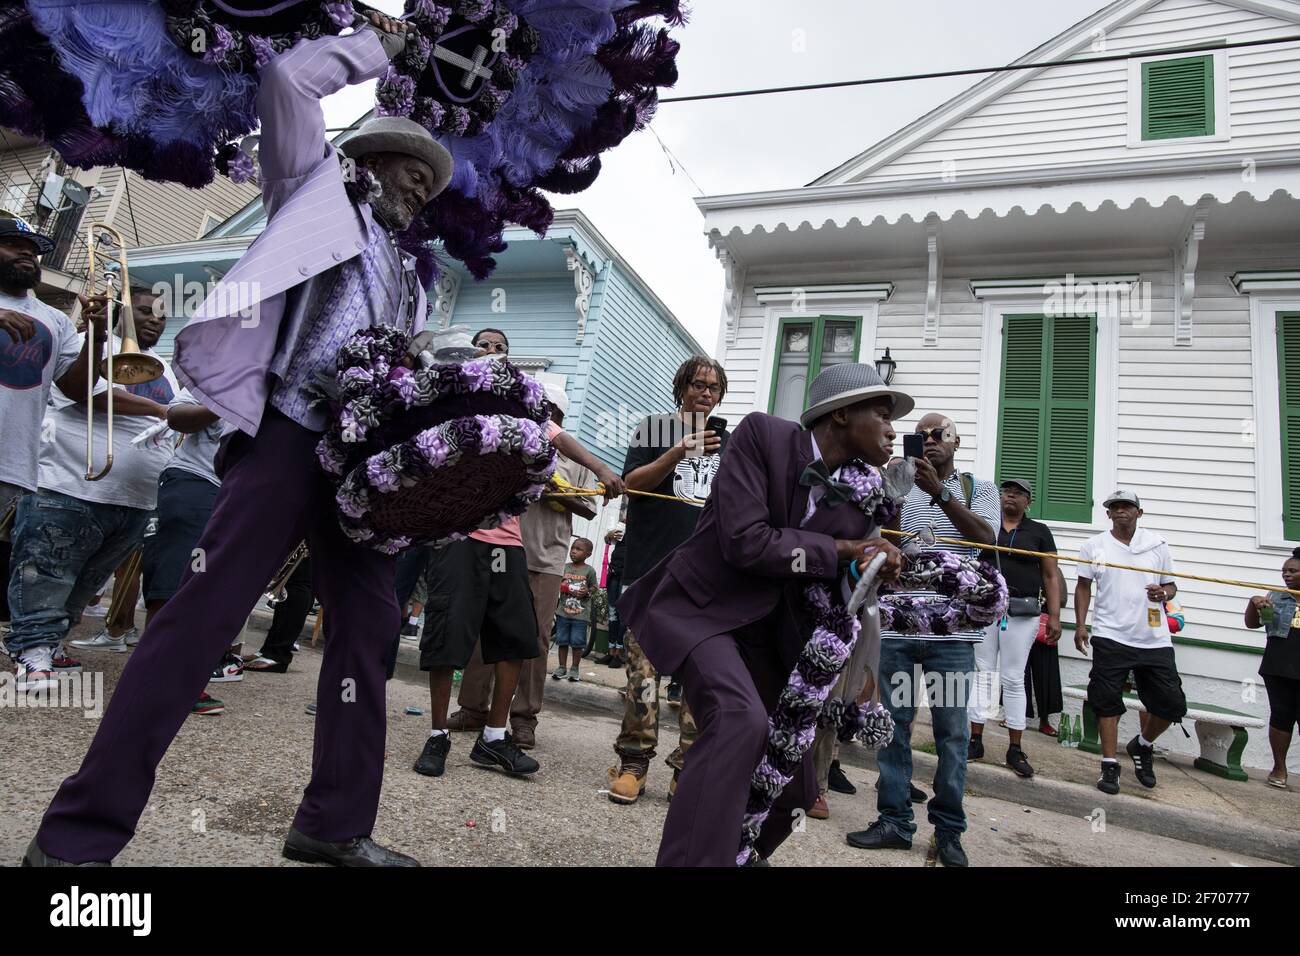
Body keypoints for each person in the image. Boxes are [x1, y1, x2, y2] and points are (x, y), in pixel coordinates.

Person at [25, 11, 453, 868]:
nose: (418, 193)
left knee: (368, 631)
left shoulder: (410, 277)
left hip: (356, 469)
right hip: (288, 438)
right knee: (199, 620)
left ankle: (332, 825)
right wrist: (388, 48)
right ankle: (76, 839)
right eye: (409, 173)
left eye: (428, 189)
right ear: (367, 161)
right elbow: (291, 82)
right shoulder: (314, 189)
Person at [620, 363, 907, 865]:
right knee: (739, 720)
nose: (892, 429)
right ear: (840, 414)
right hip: (704, 610)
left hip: (773, 637)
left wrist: (872, 566)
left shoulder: (867, 495)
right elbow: (746, 543)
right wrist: (843, 547)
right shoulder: (762, 436)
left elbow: (836, 584)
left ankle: (736, 854)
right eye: (881, 414)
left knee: (795, 791)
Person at [847, 413, 997, 868]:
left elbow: (987, 540)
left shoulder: (979, 489)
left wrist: (941, 494)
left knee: (952, 737)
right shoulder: (897, 484)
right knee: (892, 728)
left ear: (956, 442)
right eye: (923, 435)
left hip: (953, 635)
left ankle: (949, 832)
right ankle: (894, 821)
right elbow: (875, 536)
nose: (930, 441)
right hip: (897, 629)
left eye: (939, 435)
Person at [11, 292, 174, 686]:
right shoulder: (87, 344)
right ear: (121, 313)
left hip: (134, 499)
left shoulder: (163, 367)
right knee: (48, 572)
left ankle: (51, 645)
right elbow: (85, 392)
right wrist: (158, 409)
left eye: (162, 316)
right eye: (144, 312)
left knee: (86, 581)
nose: (155, 321)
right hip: (71, 485)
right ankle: (32, 653)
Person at [607, 355, 728, 806]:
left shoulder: (726, 439)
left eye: (714, 388)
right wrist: (679, 451)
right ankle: (635, 761)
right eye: (698, 384)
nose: (706, 393)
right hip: (651, 569)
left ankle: (689, 767)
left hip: (706, 577)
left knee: (700, 673)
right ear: (682, 386)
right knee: (642, 670)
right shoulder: (655, 428)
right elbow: (631, 483)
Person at [0, 216, 108, 683]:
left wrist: (97, 335)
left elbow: (79, 389)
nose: (27, 254)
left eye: (32, 248)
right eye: (11, 245)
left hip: (13, 459)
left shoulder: (54, 319)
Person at [1075, 490, 1184, 796]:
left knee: (1171, 703)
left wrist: (1164, 594)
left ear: (1139, 512)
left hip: (1154, 638)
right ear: (1108, 513)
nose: (1121, 511)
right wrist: (1081, 625)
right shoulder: (1094, 545)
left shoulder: (1156, 544)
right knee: (1107, 699)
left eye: (1127, 507)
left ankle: (1143, 745)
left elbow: (1171, 585)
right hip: (1111, 634)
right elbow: (1083, 586)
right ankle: (1110, 763)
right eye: (1114, 507)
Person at [137, 386, 233, 714]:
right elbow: (176, 417)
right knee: (174, 582)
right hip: (196, 481)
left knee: (211, 593)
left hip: (240, 496)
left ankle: (181, 678)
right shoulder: (227, 367)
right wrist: (228, 401)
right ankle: (155, 679)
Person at [969, 478, 1063, 778]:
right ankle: (975, 740)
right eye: (1006, 492)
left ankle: (1015, 747)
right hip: (985, 608)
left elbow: (1050, 576)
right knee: (983, 673)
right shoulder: (986, 526)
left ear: (1028, 501)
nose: (1011, 496)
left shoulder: (1039, 532)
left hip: (1022, 612)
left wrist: (1055, 615)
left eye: (1018, 493)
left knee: (1012, 677)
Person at [1243, 548, 1300, 789]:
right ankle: (1279, 768)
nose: (1286, 575)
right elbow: (1253, 624)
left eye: (1292, 571)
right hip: (1278, 664)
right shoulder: (1276, 597)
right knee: (1281, 715)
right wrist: (1253, 602)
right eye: (1284, 571)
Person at [553, 537, 598, 681]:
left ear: (588, 554)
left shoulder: (589, 571)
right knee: (562, 641)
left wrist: (587, 592)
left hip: (580, 615)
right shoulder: (564, 567)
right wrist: (562, 585)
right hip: (562, 613)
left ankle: (574, 669)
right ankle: (561, 667)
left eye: (579, 549)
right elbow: (556, 583)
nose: (573, 551)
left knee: (577, 643)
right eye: (573, 548)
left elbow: (594, 588)